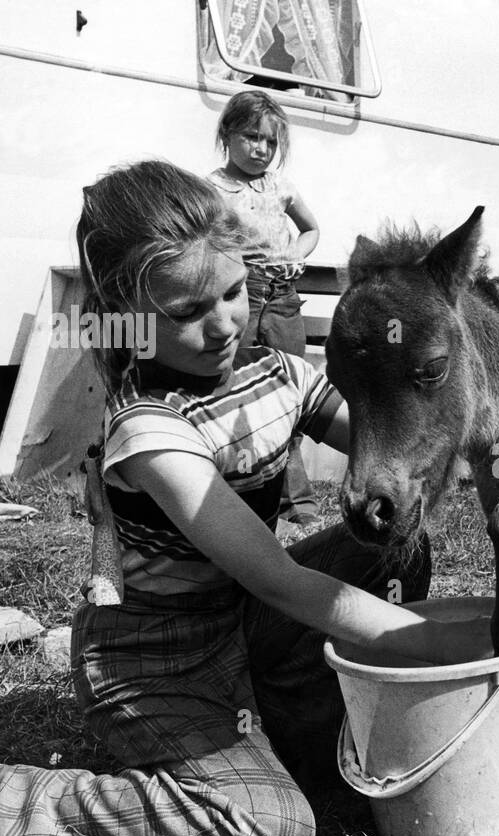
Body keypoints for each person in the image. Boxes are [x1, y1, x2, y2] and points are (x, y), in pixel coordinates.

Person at [0, 160, 488, 836]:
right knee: (272, 823)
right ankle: (11, 806)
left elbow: (398, 442)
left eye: (235, 293)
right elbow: (280, 578)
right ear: (128, 311)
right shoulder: (149, 430)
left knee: (393, 541)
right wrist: (437, 647)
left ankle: (293, 733)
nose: (223, 325)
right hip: (157, 663)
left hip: (242, 629)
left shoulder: (280, 374)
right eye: (187, 310)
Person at [207, 91, 321, 525]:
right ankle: (238, 492)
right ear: (227, 134)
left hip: (284, 297)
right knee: (237, 391)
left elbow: (311, 229)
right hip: (244, 295)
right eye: (251, 137)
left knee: (290, 391)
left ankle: (300, 503)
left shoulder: (281, 187)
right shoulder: (212, 188)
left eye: (271, 142)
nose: (261, 149)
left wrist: (297, 250)